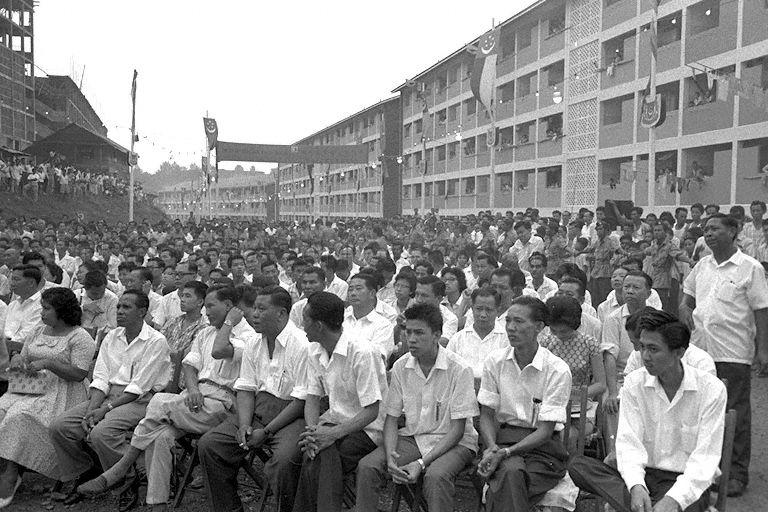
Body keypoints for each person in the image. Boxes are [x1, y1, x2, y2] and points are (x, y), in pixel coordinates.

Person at [76, 285, 253, 508]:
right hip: (193, 400)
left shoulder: (247, 336)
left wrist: (229, 323)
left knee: (158, 402)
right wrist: (194, 389)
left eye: (210, 306)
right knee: (159, 438)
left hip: (222, 405)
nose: (206, 311)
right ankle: (156, 503)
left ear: (228, 306)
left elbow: (219, 351)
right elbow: (189, 366)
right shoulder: (206, 333)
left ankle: (122, 467)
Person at [569, 310, 727, 512]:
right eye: (642, 347)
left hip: (684, 479)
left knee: (687, 502)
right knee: (579, 466)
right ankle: (646, 504)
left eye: (653, 349)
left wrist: (673, 499)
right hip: (642, 474)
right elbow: (629, 442)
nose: (645, 356)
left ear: (679, 352)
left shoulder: (711, 389)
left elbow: (705, 459)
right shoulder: (635, 383)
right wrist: (636, 486)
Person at [49, 291, 171, 509]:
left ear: (142, 312)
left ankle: (126, 477)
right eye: (119, 307)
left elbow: (139, 387)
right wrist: (92, 409)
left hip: (141, 400)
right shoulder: (112, 337)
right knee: (60, 427)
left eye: (127, 307)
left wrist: (105, 409)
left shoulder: (156, 341)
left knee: (101, 432)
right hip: (108, 395)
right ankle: (87, 471)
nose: (120, 311)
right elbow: (101, 378)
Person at [356, 303, 478, 511]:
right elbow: (392, 419)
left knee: (436, 476)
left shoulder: (460, 369)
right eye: (408, 331)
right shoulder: (401, 366)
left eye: (419, 333)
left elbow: (458, 430)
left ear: (436, 335)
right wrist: (390, 456)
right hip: (414, 437)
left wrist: (421, 463)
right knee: (368, 466)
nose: (411, 339)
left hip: (454, 442)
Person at [680, 213, 768, 497]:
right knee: (702, 411)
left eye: (715, 228)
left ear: (733, 231)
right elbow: (686, 298)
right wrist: (685, 312)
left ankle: (735, 474)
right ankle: (706, 471)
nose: (708, 233)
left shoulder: (750, 267)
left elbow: (761, 310)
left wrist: (763, 350)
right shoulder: (702, 265)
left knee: (734, 413)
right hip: (700, 351)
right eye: (706, 229)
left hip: (733, 353)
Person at [198, 286, 308, 512]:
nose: (254, 314)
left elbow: (301, 401)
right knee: (211, 445)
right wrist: (245, 424)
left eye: (261, 309)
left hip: (293, 415)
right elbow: (246, 389)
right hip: (259, 409)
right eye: (254, 308)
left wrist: (266, 432)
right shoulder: (253, 343)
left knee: (284, 462)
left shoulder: (301, 344)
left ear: (281, 313)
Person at [292, 292, 388, 512]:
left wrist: (330, 435)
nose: (301, 326)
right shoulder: (315, 349)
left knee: (323, 455)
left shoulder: (362, 351)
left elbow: (372, 411)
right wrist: (313, 431)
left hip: (369, 429)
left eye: (305, 321)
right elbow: (312, 398)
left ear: (318, 326)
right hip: (335, 424)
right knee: (312, 448)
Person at [0, 288, 95, 508]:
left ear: (61, 311)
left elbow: (79, 374)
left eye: (46, 308)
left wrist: (49, 363)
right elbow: (23, 356)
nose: (42, 313)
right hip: (30, 384)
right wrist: (17, 361)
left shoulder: (80, 337)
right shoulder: (39, 330)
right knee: (2, 409)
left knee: (20, 416)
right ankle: (7, 466)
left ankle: (12, 474)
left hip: (63, 391)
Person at [476, 296, 571, 512]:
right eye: (508, 321)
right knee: (511, 474)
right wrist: (492, 447)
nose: (511, 328)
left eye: (518, 322)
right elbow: (486, 415)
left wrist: (506, 453)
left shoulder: (556, 369)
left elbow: (546, 431)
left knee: (506, 478)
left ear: (538, 327)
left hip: (543, 449)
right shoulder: (495, 361)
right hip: (502, 440)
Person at [539, 295, 605, 451]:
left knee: (567, 436)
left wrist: (577, 394)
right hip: (551, 404)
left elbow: (601, 384)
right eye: (553, 330)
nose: (558, 335)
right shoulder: (546, 343)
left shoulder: (589, 344)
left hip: (579, 410)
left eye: (563, 331)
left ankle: (571, 470)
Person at [446, 287, 508, 383]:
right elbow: (447, 370)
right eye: (478, 309)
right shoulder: (458, 339)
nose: (483, 314)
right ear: (472, 308)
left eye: (489, 310)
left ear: (497, 310)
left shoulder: (506, 340)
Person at [159, 281, 209, 393]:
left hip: (182, 382)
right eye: (182, 295)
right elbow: (157, 345)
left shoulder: (204, 328)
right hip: (161, 375)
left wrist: (166, 351)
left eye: (188, 296)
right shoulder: (173, 321)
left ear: (200, 302)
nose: (182, 299)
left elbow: (186, 355)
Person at [343, 272, 395, 359]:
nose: (353, 293)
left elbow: (377, 358)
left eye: (358, 289)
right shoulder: (341, 318)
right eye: (350, 289)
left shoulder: (383, 325)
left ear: (372, 293)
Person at [3, 265, 43, 353]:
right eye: (11, 279)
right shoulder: (13, 304)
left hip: (21, 352)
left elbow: (27, 336)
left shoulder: (42, 305)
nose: (11, 283)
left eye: (16, 279)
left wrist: (4, 344)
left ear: (31, 283)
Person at [413, 275, 458, 344]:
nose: (419, 300)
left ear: (439, 299)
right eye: (417, 294)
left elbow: (442, 342)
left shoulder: (450, 319)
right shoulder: (410, 312)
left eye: (424, 296)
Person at [73, 270, 118, 339]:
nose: (99, 295)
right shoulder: (76, 295)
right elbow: (66, 317)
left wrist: (97, 334)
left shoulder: (112, 299)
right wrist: (83, 307)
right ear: (86, 288)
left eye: (102, 292)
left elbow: (112, 325)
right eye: (95, 293)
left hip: (101, 337)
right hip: (77, 334)